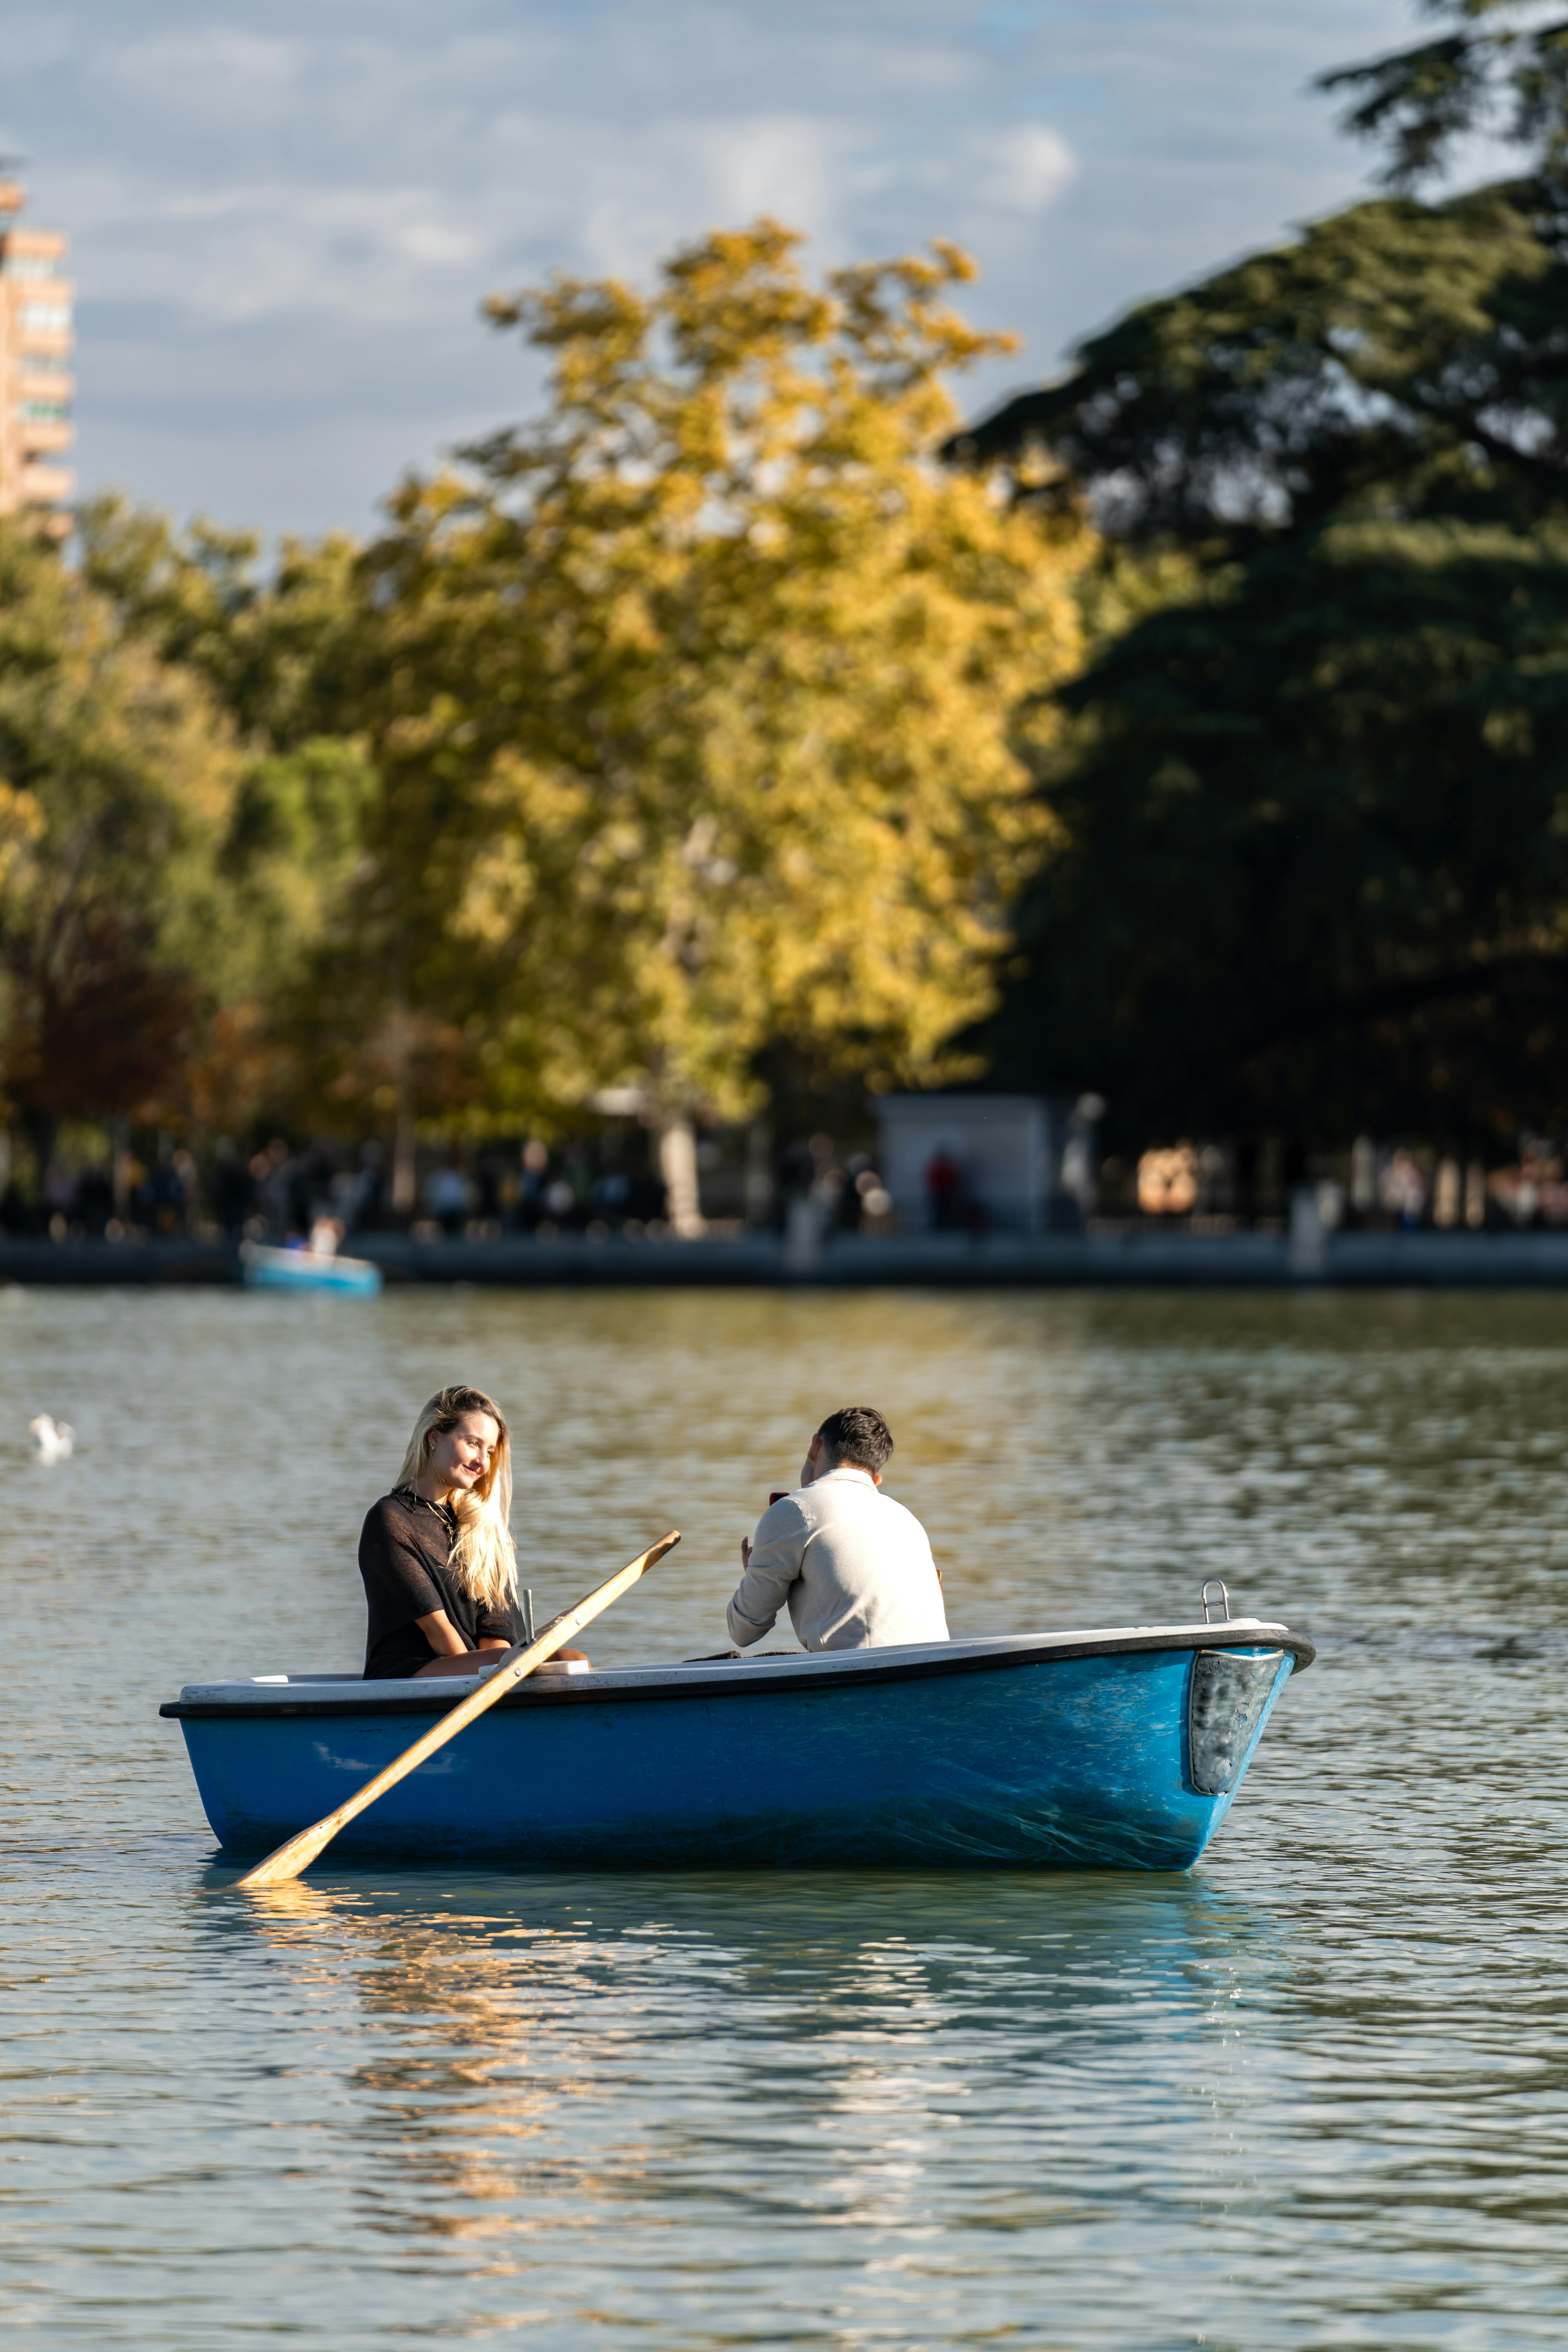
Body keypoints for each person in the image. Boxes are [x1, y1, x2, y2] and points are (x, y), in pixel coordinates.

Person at [358, 1383, 588, 1680]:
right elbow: (438, 1633)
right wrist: (487, 1674)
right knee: (564, 1661)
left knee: (573, 1661)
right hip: (411, 1672)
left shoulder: (479, 1526)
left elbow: (496, 1632)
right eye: (472, 1443)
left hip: (474, 1669)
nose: (482, 1462)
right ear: (434, 1438)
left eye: (490, 1451)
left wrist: (500, 1669)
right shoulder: (390, 1518)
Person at [727, 1405, 948, 1654]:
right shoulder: (907, 1519)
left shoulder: (795, 1509)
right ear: (875, 1476)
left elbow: (742, 1632)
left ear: (815, 1446)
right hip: (938, 1664)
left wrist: (755, 1574)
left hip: (863, 1670)